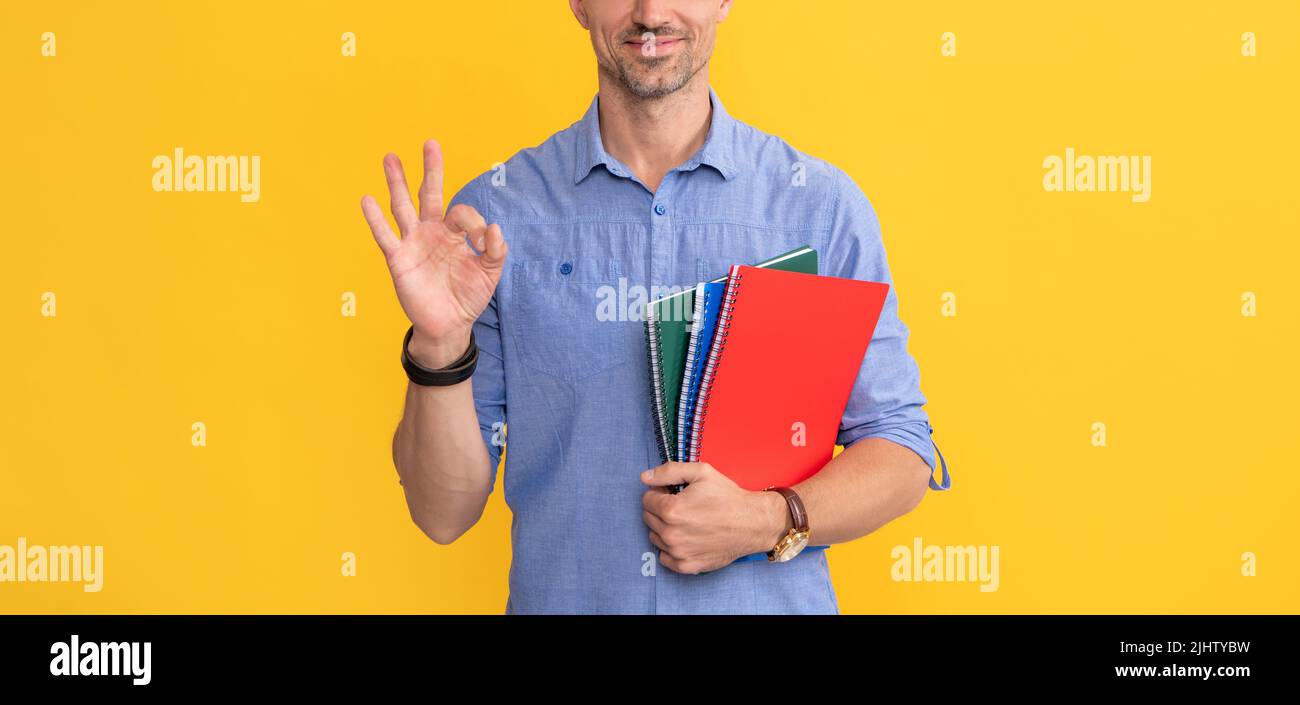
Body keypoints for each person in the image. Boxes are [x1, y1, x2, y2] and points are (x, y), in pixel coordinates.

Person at [359, 0, 949, 614]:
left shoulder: (818, 208)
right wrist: (437, 345)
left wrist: (767, 519)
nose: (650, 12)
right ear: (579, 5)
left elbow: (902, 450)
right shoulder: (492, 219)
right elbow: (442, 512)